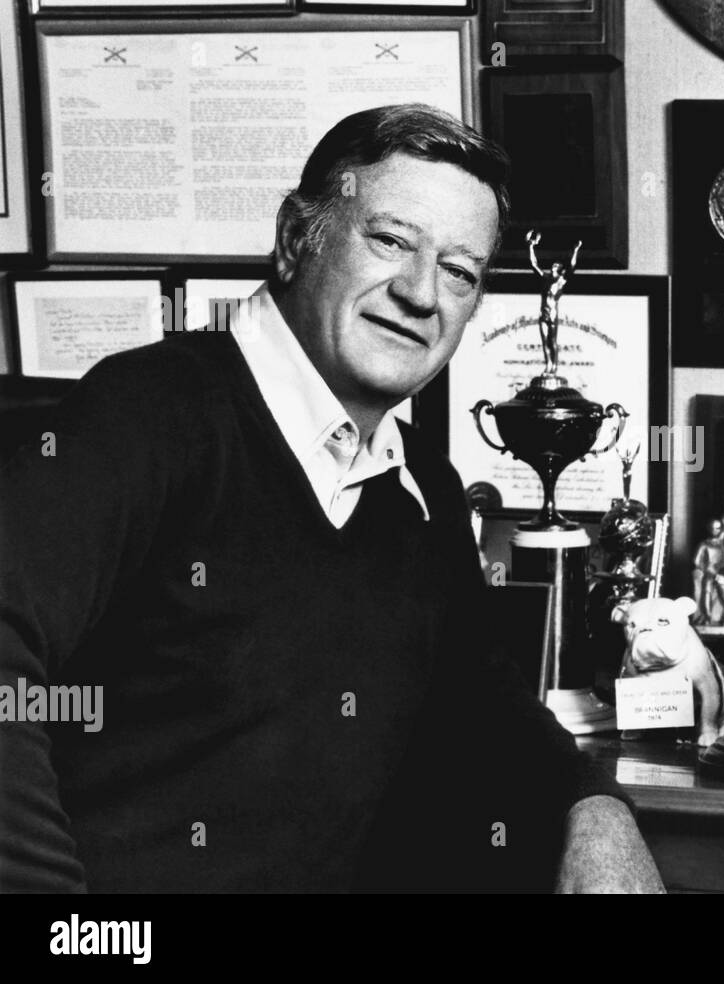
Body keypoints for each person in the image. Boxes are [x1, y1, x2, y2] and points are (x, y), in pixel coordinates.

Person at [0, 104, 662, 893]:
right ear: (295, 239)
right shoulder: (151, 414)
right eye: (390, 240)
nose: (422, 293)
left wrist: (596, 810)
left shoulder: (423, 485)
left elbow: (487, 704)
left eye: (460, 271)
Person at [526, 229, 582, 378]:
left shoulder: (561, 281)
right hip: (543, 313)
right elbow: (533, 264)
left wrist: (576, 250)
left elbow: (572, 266)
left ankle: (554, 366)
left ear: (560, 269)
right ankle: (548, 364)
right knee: (544, 341)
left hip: (552, 313)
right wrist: (531, 246)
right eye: (553, 265)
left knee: (552, 341)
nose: (553, 266)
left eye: (556, 265)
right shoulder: (545, 278)